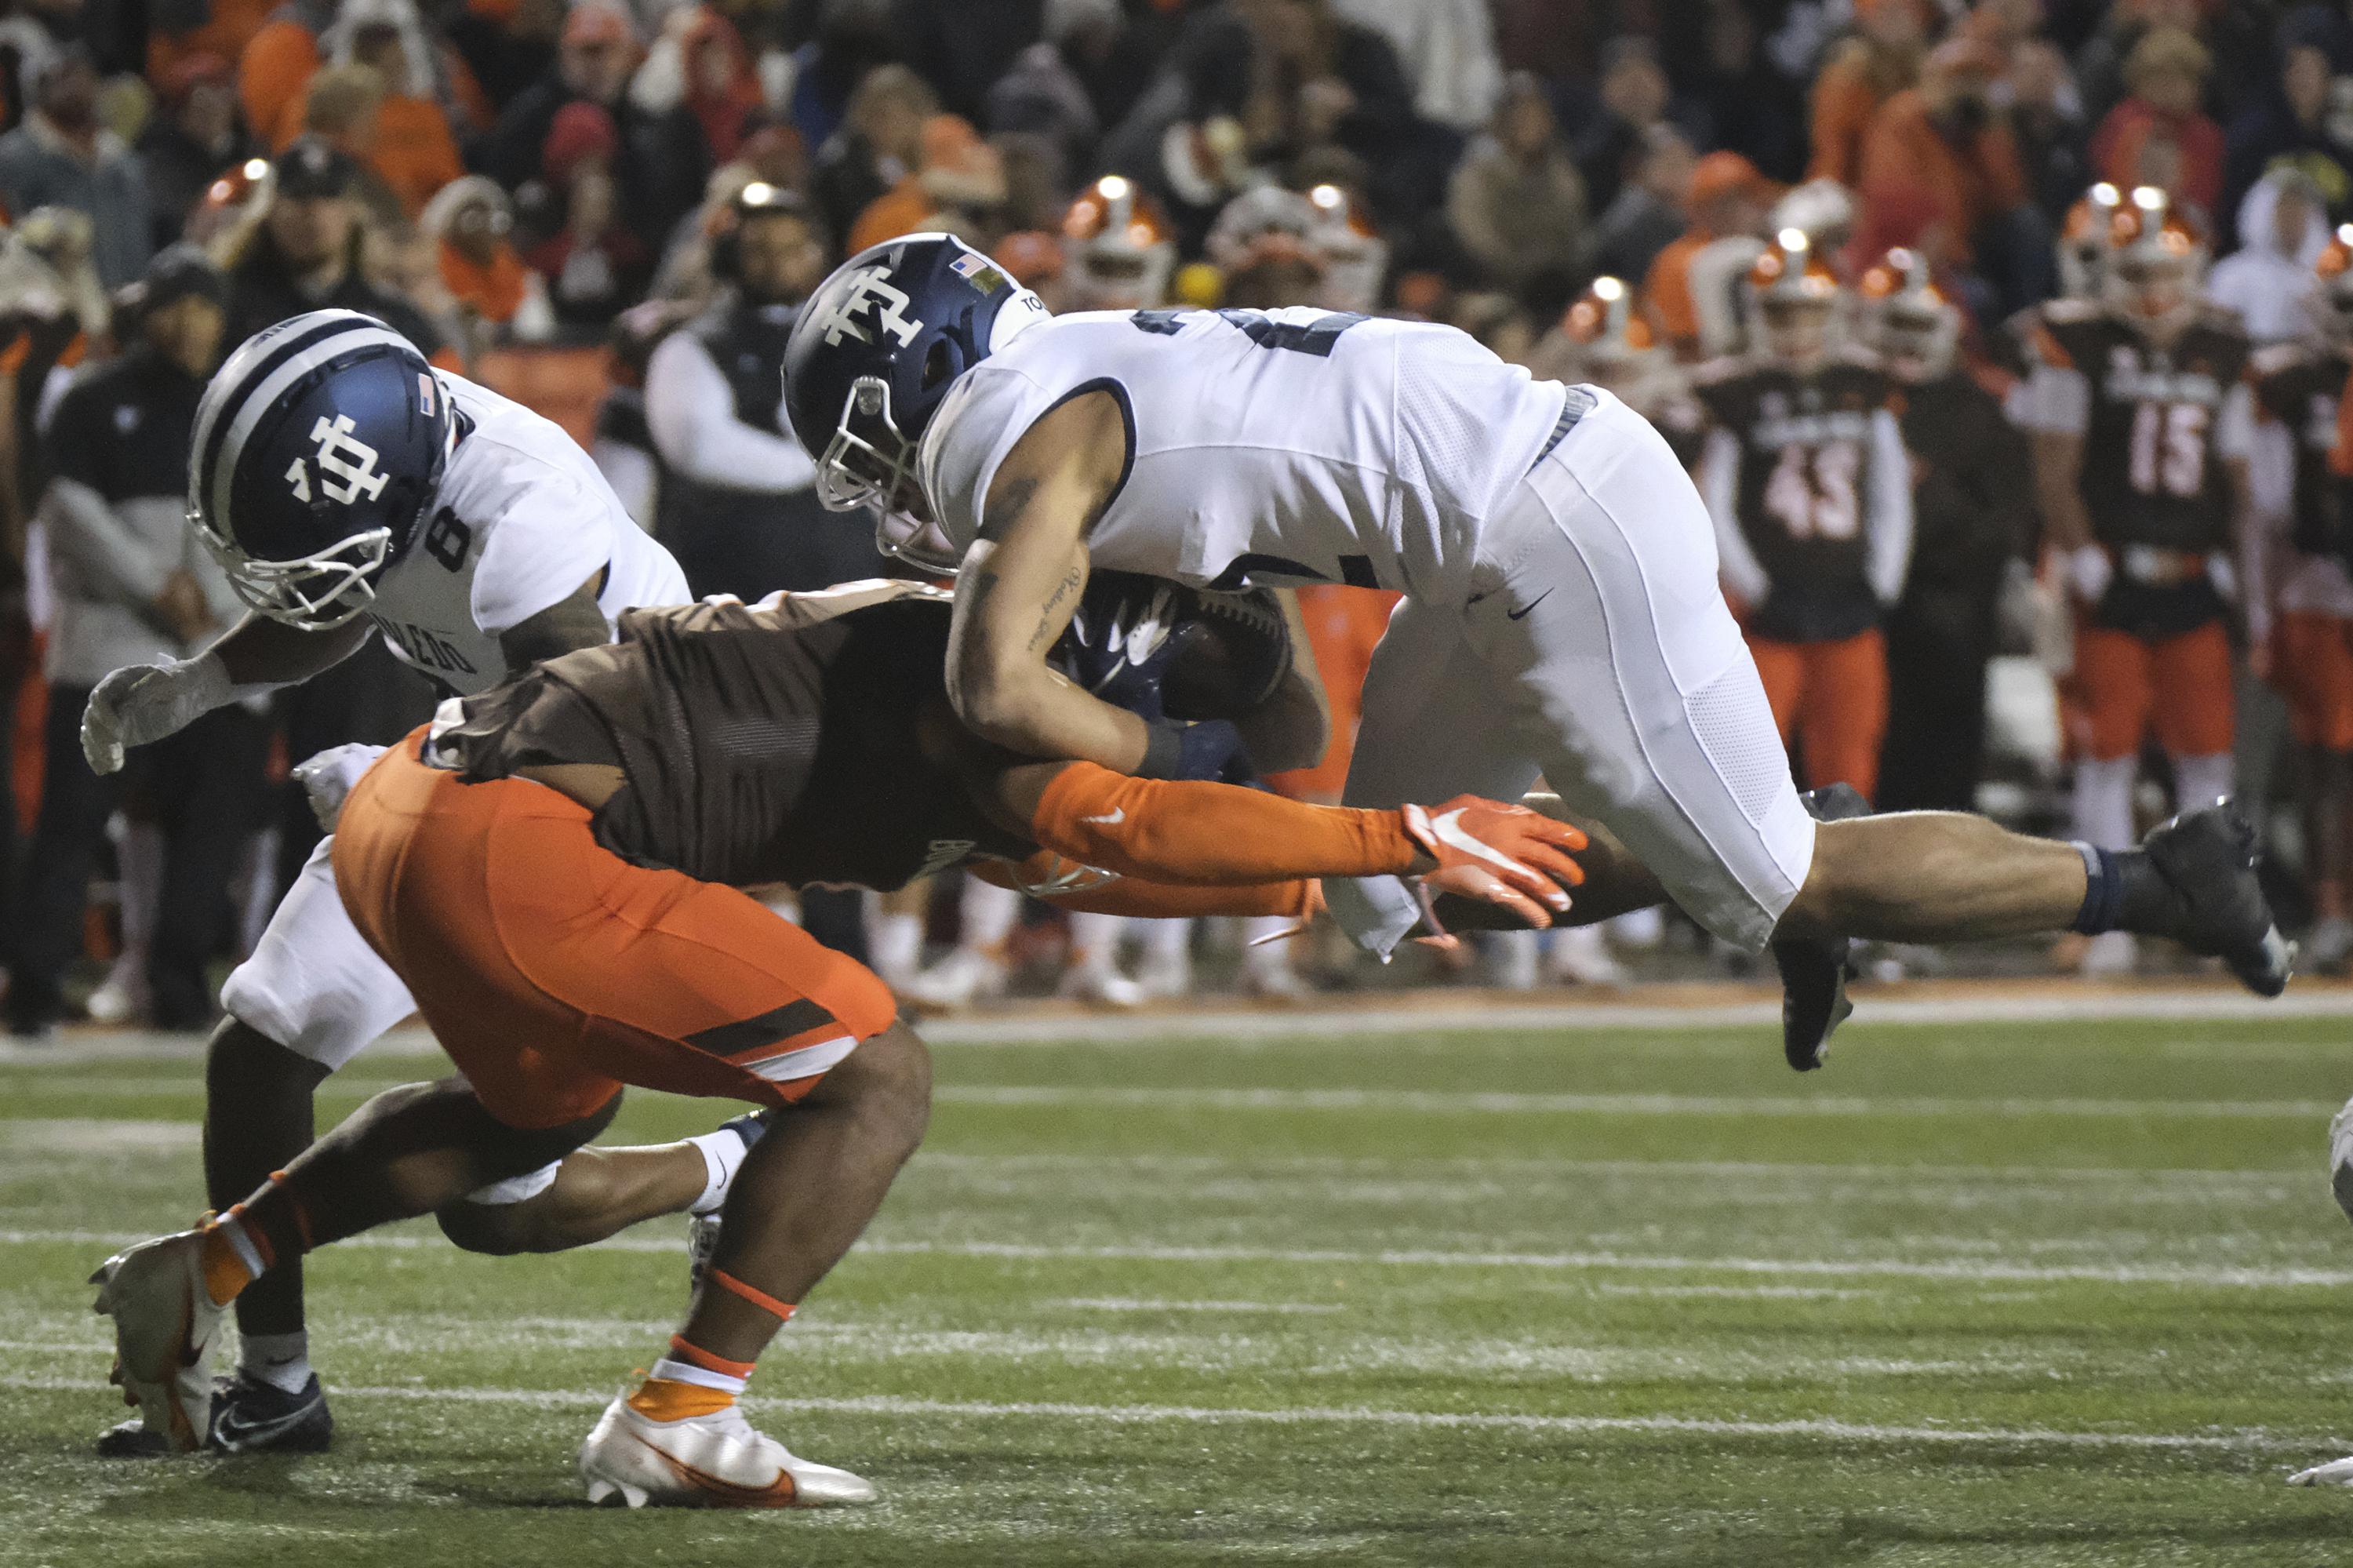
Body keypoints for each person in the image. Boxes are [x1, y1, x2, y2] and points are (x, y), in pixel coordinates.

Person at [89, 574, 1582, 1497]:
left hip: (413, 809)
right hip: (522, 842)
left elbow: (1082, 849)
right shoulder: (1003, 696)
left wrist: (1344, 866)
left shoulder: (964, 630)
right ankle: (682, 1410)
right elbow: (1121, 813)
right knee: (876, 1067)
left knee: (532, 1125)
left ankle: (204, 1260)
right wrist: (1398, 830)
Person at [782, 231, 2293, 1079]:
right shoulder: (1091, 361)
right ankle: (1786, 854)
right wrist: (1220, 703)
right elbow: (1297, 694)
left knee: (1779, 876)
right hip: (1492, 519)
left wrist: (1167, 754)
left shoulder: (1029, 442)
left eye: (865, 446)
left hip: (1545, 517)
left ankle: (2161, 877)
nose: (883, 487)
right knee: (1420, 871)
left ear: (905, 386)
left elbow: (990, 687)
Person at [75, 308, 701, 1453]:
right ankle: (279, 1383)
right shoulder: (396, 465)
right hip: (472, 773)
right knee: (261, 1041)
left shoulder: (525, 507)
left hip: (606, 813)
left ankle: (733, 1164)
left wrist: (409, 771)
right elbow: (344, 596)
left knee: (500, 1206)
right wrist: (201, 684)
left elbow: (576, 731)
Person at [4, 247, 260, 1036]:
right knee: (73, 826)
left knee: (209, 835)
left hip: (215, 652)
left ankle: (178, 989)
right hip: (111, 646)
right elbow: (64, 504)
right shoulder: (95, 397)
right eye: (175, 304)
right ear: (145, 312)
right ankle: (36, 988)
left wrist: (209, 601)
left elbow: (267, 523)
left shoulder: (247, 407)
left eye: (203, 304)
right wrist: (158, 586)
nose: (189, 322)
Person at [2017, 184, 2255, 978]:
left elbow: (2237, 474)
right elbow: (2055, 466)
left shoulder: (2223, 347)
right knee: (2107, 754)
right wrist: (2080, 551)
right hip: (2112, 568)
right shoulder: (2074, 340)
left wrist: (2240, 567)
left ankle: (2218, 914)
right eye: (2138, 268)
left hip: (2190, 569)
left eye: (2167, 267)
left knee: (2206, 756)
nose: (2154, 287)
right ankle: (2110, 917)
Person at [1695, 231, 1912, 802]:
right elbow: (1716, 500)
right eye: (1782, 316)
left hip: (1847, 590)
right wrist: (1755, 585)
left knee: (1849, 757)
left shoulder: (1863, 385)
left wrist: (1882, 580)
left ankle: (1850, 872)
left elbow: (1890, 492)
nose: (1796, 331)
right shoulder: (1736, 391)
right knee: (1750, 757)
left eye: (1807, 314)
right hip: (1772, 600)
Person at [1860, 248, 2035, 813]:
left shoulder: (1980, 407)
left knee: (1943, 753)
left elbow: (2005, 516)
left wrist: (1933, 519)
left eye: (1920, 325)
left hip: (1947, 604)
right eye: (1897, 323)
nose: (1908, 340)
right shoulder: (1840, 397)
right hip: (1854, 605)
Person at [645, 183, 872, 599]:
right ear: (730, 259)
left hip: (845, 585)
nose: (777, 263)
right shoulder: (694, 345)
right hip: (731, 589)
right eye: (759, 250)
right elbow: (699, 447)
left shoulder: (850, 339)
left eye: (792, 249)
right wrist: (815, 456)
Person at [2249, 231, 2353, 971]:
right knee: (2329, 762)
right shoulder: (2291, 381)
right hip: (2321, 591)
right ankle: (2331, 907)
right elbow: (2273, 508)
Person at [0, 45, 152, 289]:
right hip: (49, 311)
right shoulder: (12, 158)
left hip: (124, 307)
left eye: (81, 75)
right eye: (61, 77)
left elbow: (138, 242)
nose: (74, 87)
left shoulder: (122, 161)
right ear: (39, 88)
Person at [2206, 169, 2328, 344]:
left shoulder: (2321, 281)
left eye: (2300, 215)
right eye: (2286, 214)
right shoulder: (2233, 273)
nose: (2293, 224)